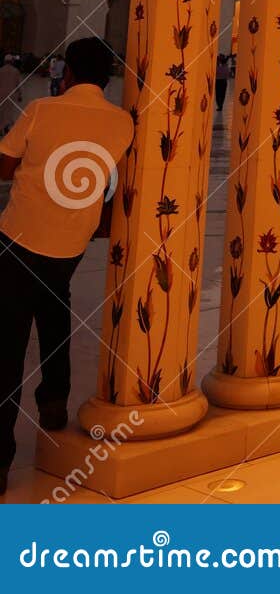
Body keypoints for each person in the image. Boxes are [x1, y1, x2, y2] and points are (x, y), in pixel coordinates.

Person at [0, 36, 133, 494]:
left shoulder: (42, 110)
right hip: (71, 241)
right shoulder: (122, 124)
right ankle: (54, 401)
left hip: (19, 237)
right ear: (108, 78)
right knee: (55, 308)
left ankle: (0, 458)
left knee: (8, 339)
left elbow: (5, 164)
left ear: (68, 73)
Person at [0, 54, 20, 137]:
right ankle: (6, 127)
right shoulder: (15, 71)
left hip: (1, 94)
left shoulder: (0, 70)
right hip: (11, 94)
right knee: (9, 111)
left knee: (2, 111)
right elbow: (17, 84)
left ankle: (1, 128)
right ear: (12, 61)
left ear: (4, 61)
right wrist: (19, 94)